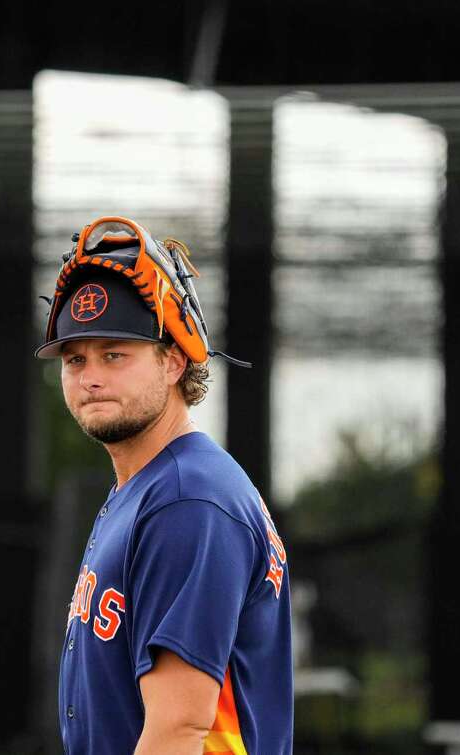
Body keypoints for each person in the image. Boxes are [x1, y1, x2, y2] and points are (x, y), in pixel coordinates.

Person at [36, 217, 293, 755]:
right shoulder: (148, 487)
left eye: (114, 354)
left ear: (174, 360)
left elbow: (178, 730)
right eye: (75, 359)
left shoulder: (188, 500)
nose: (90, 377)